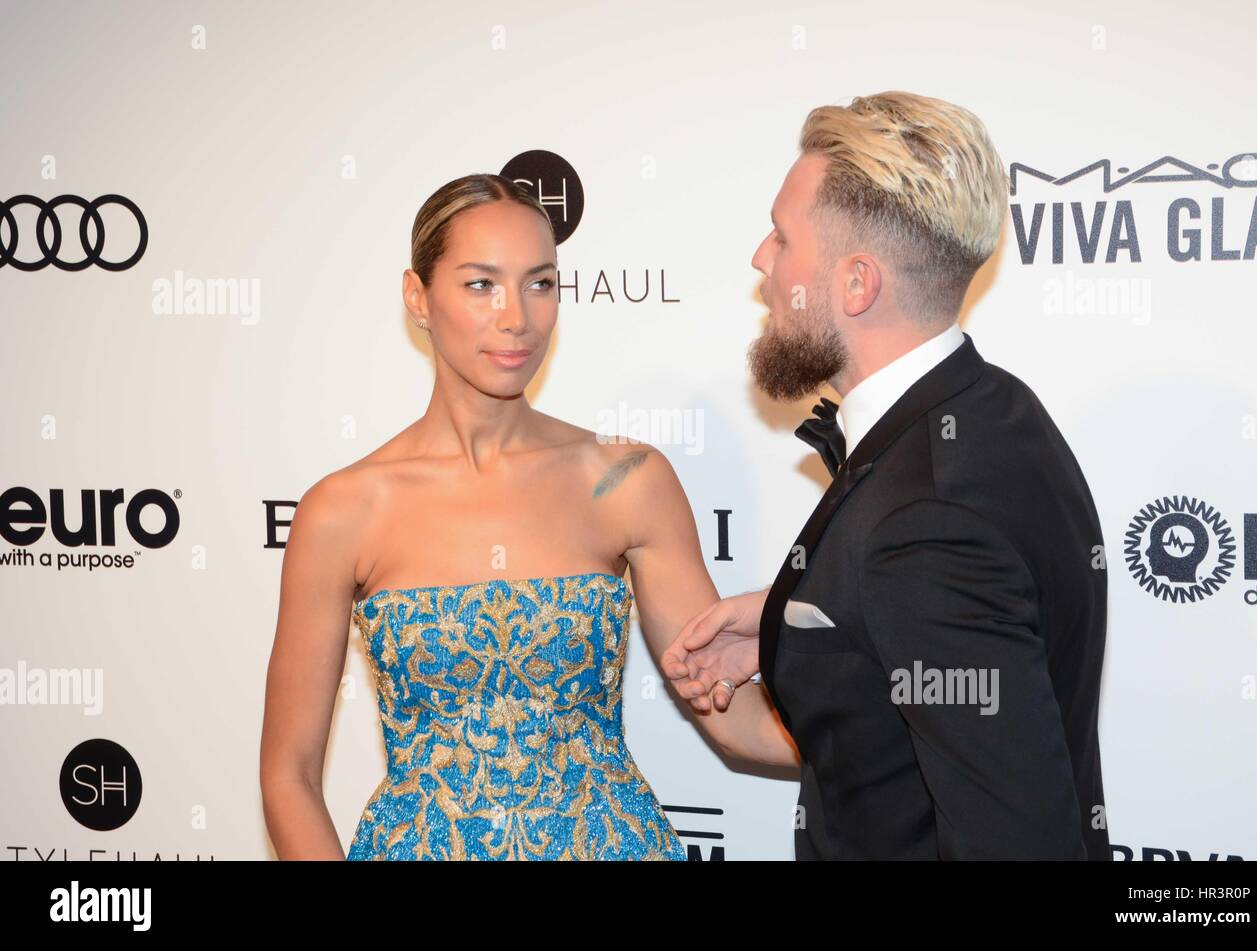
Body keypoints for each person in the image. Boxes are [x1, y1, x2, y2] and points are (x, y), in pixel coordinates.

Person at [259, 173, 795, 861]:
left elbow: (733, 718)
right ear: (417, 297)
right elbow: (288, 776)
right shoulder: (345, 509)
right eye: (481, 284)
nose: (517, 316)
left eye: (540, 283)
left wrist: (898, 739)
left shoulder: (627, 480)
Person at [663, 91, 1111, 860]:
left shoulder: (925, 521)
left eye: (782, 238)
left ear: (857, 284)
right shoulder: (991, 408)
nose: (760, 260)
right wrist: (799, 621)